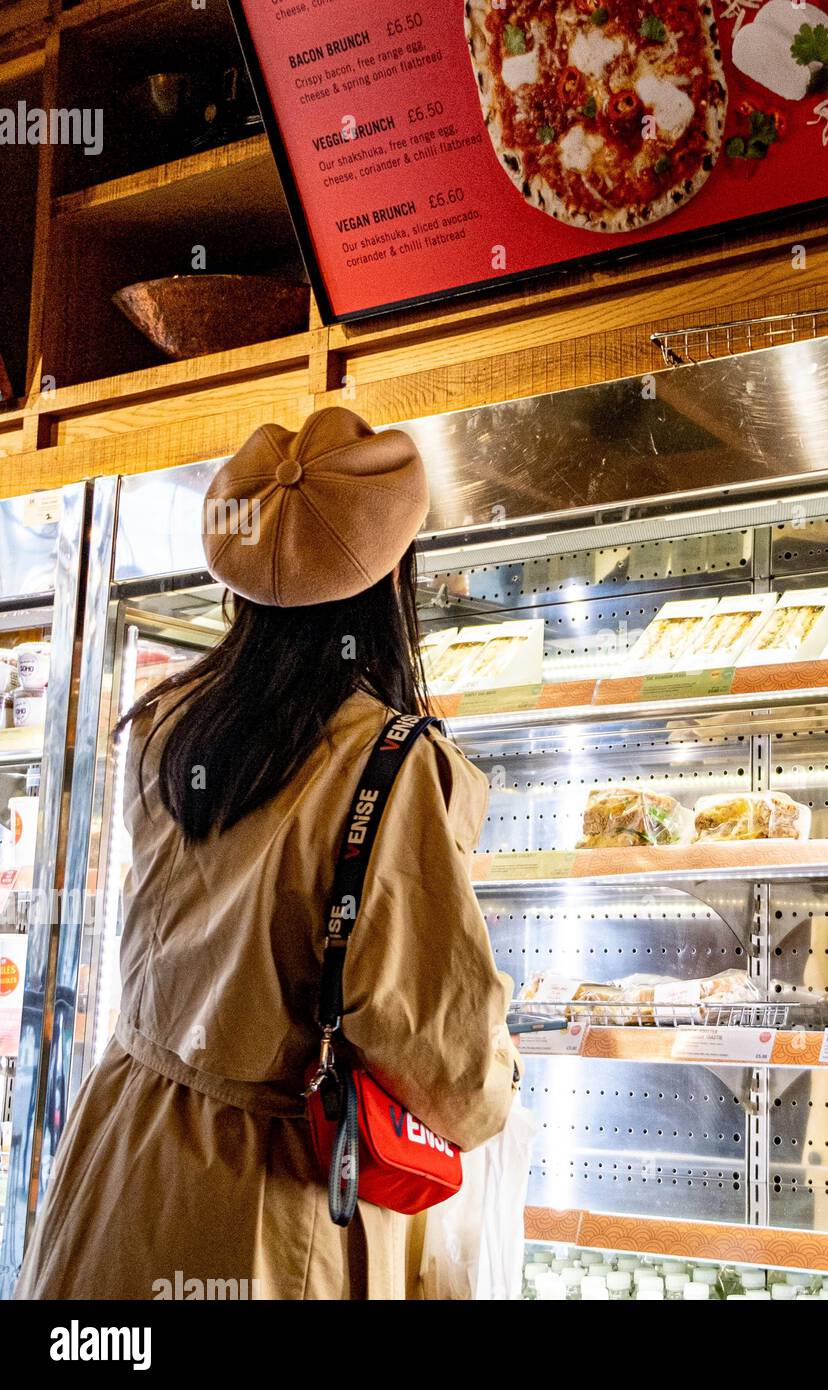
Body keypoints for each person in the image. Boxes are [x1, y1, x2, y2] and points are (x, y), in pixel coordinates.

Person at [15, 407, 519, 1300]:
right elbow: (450, 1070)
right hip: (265, 1194)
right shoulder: (390, 762)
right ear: (392, 582)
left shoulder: (166, 724)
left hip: (123, 1149)